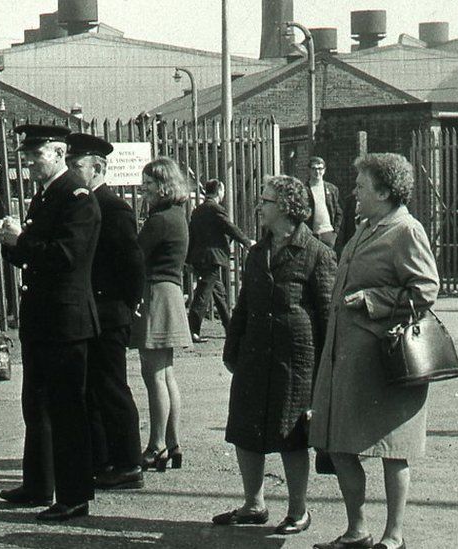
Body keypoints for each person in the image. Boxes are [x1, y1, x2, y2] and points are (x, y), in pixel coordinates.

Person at [309, 153, 439, 549]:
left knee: (392, 449)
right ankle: (357, 530)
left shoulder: (405, 230)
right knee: (340, 443)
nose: (353, 193)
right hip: (348, 356)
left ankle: (393, 535)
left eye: (361, 186)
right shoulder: (368, 226)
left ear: (383, 192)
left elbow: (426, 288)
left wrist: (374, 299)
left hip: (385, 358)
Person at [214, 175, 336, 535]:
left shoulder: (316, 253)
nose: (259, 207)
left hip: (296, 358)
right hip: (254, 353)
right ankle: (254, 505)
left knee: (292, 433)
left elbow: (328, 314)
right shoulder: (257, 252)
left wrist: (327, 370)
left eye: (265, 201)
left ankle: (298, 510)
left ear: (285, 207)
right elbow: (243, 305)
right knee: (244, 427)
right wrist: (232, 345)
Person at [0, 124, 100, 521]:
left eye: (35, 154)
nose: (27, 161)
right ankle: (38, 483)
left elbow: (65, 256)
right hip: (42, 316)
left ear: (58, 153)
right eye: (26, 154)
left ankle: (73, 495)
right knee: (36, 405)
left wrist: (20, 240)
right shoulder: (46, 196)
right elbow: (33, 256)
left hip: (66, 319)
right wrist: (12, 244)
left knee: (67, 410)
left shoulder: (76, 197)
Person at [65, 133, 146, 490]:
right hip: (91, 309)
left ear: (97, 168)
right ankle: (104, 457)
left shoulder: (114, 208)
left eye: (76, 165)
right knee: (93, 387)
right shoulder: (81, 203)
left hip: (109, 310)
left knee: (112, 388)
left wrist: (124, 305)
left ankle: (129, 462)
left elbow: (132, 265)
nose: (70, 170)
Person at [131, 157, 191, 473]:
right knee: (166, 373)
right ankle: (173, 442)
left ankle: (157, 446)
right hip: (169, 292)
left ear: (163, 185)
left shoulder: (159, 220)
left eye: (149, 185)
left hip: (154, 292)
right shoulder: (177, 215)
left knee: (153, 374)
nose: (144, 190)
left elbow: (135, 257)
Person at [186, 178, 255, 343]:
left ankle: (230, 328)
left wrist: (188, 260)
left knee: (220, 293)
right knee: (203, 293)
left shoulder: (197, 210)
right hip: (212, 258)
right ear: (219, 192)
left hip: (200, 257)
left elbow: (192, 235)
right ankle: (192, 329)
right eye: (223, 191)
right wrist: (247, 242)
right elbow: (230, 228)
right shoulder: (216, 209)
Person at [305, 157, 342, 248]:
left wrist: (335, 233)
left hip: (328, 234)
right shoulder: (304, 190)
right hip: (311, 234)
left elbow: (339, 212)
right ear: (309, 170)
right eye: (314, 168)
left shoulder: (332, 189)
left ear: (324, 170)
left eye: (320, 168)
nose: (317, 172)